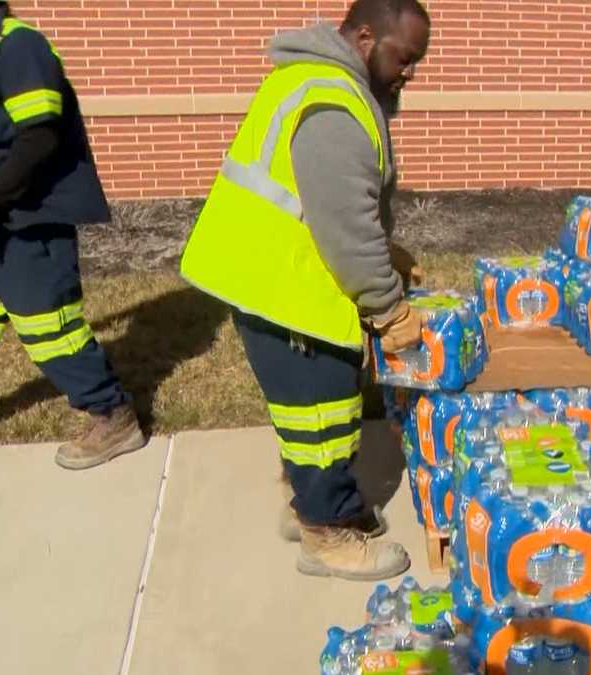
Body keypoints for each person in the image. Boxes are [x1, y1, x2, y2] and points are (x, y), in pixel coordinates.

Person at [180, 0, 431, 581]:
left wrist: (382, 252)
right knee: (325, 413)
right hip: (286, 287)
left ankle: (307, 501)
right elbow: (343, 229)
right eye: (405, 57)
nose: (410, 73)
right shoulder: (335, 104)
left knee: (305, 408)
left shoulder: (307, 78)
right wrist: (389, 310)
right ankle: (328, 535)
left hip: (263, 274)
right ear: (367, 37)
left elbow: (321, 203)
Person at [0, 0, 147, 468]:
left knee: (49, 326)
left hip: (26, 218)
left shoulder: (20, 45)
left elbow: (38, 137)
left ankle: (112, 414)